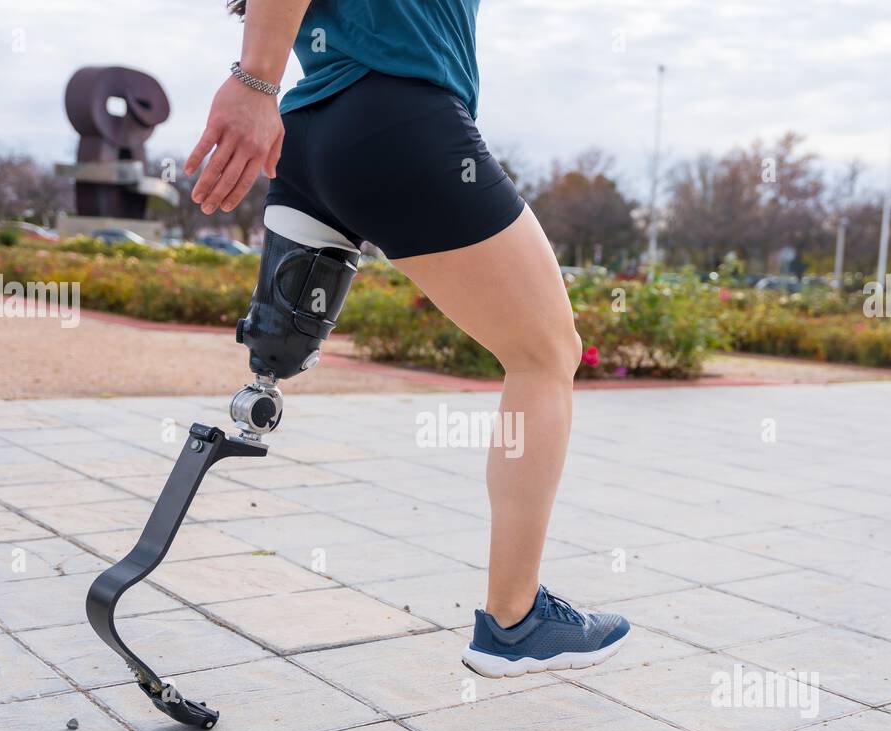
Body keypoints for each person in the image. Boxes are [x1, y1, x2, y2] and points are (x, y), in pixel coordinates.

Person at [185, 0, 629, 677]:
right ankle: (514, 619)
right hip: (396, 116)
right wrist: (255, 81)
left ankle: (133, 567)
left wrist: (267, 85)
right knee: (546, 355)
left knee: (267, 370)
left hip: (313, 139)